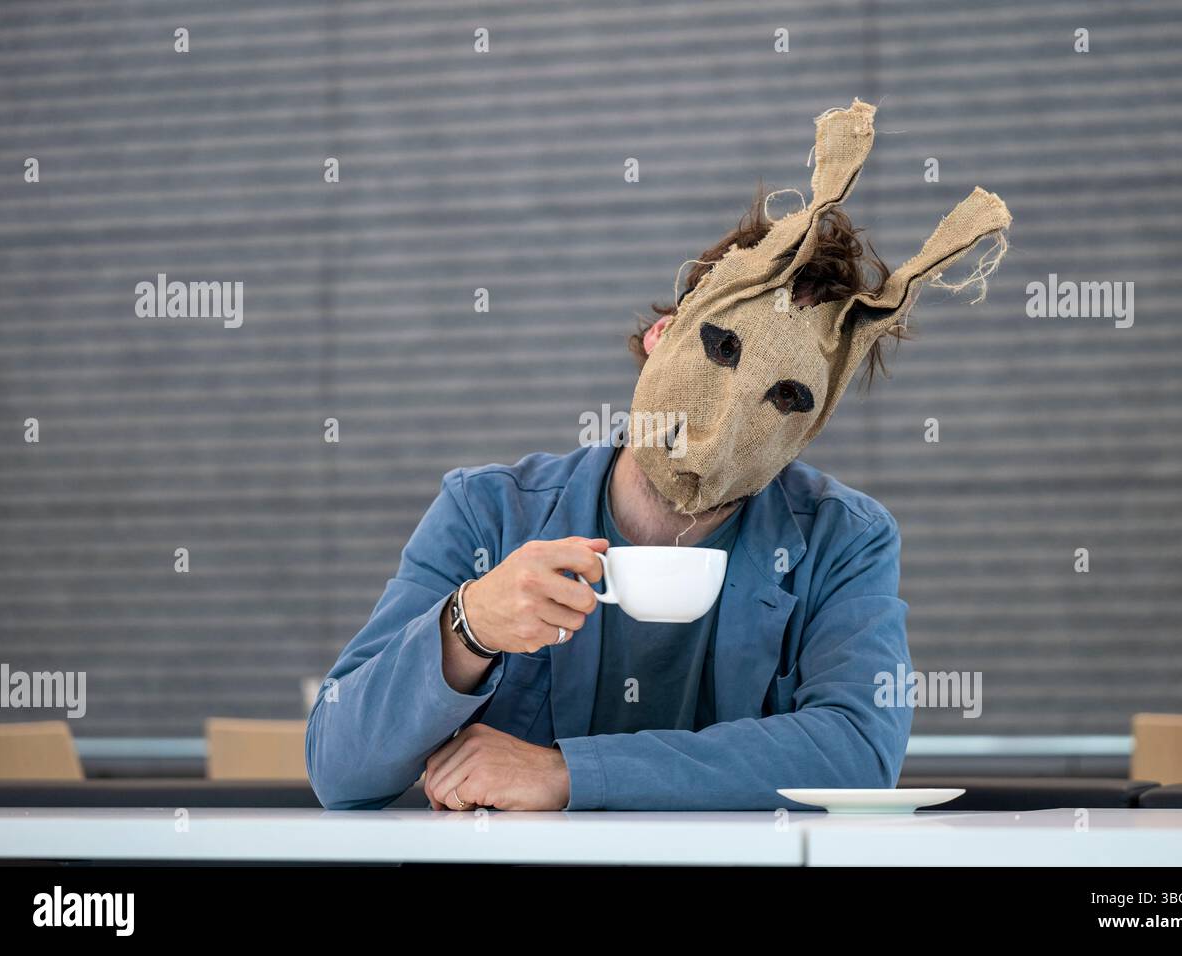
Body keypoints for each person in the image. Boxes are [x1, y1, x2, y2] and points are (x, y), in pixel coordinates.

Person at [306, 100, 1010, 811]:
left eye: (788, 395)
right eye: (721, 349)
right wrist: (468, 627)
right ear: (663, 334)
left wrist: (569, 773)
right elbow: (338, 767)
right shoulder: (488, 512)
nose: (725, 426)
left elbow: (856, 755)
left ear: (812, 425)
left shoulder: (843, 540)